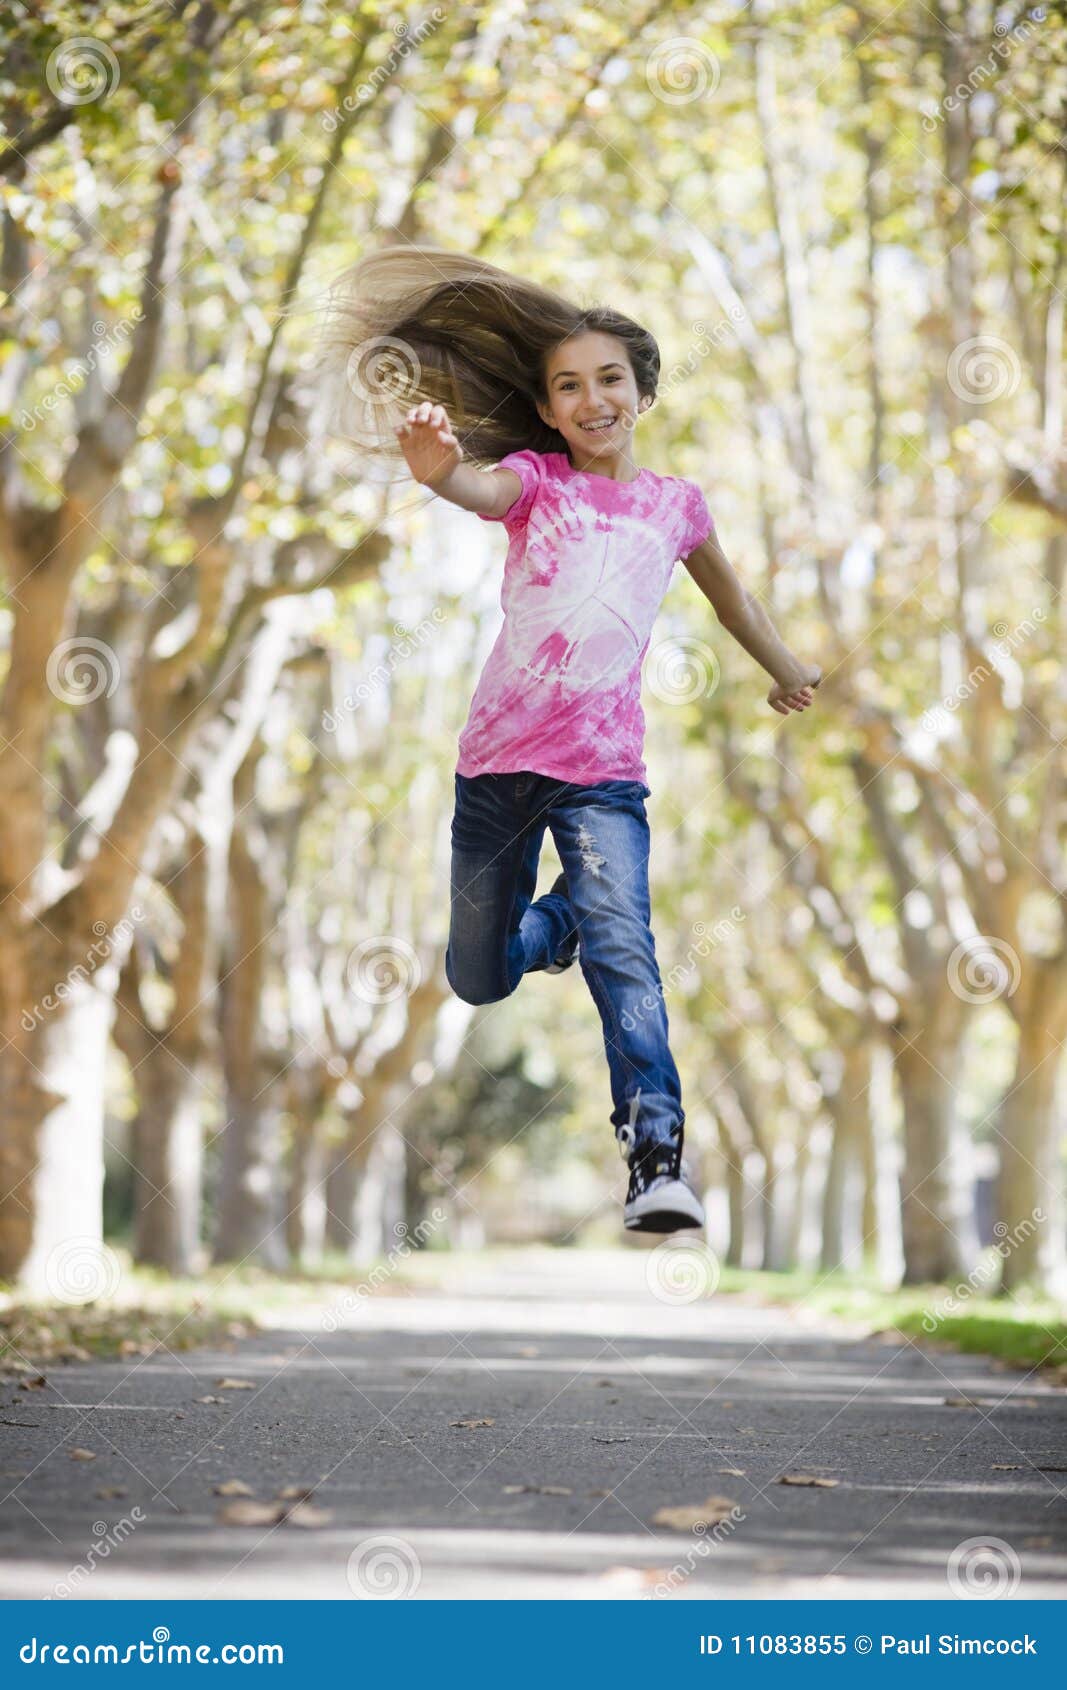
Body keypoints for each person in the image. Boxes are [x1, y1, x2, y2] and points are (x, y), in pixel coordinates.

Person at [317, 247, 820, 1233]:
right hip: (495, 768)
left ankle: (655, 1154)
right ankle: (566, 923)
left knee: (625, 949)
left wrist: (785, 665)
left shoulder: (675, 507)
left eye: (609, 380)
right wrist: (438, 473)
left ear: (642, 393)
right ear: (545, 411)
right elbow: (482, 493)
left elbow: (735, 602)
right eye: (568, 387)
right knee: (478, 975)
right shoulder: (537, 480)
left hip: (602, 776)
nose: (592, 400)